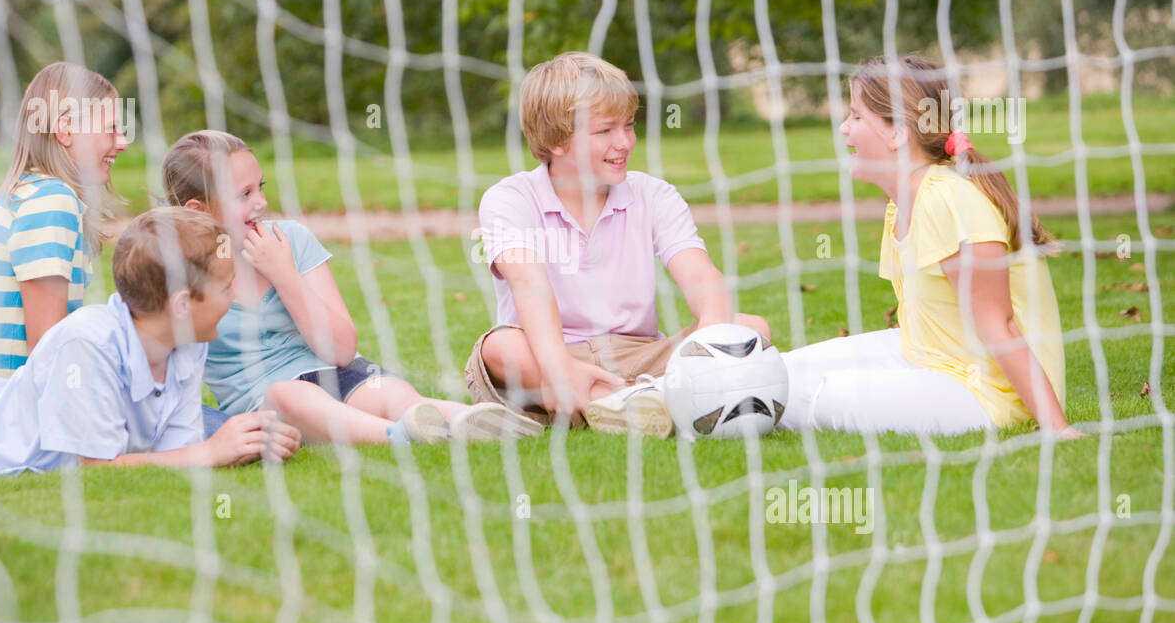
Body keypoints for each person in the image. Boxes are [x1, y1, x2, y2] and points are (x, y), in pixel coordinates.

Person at [163, 130, 541, 445]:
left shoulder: (291, 240)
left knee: (394, 395)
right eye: (243, 195)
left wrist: (284, 273)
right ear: (198, 210)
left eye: (260, 187)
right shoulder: (178, 277)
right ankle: (400, 436)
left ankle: (485, 424)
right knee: (290, 394)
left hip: (333, 370)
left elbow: (341, 349)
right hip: (267, 403)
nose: (261, 202)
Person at [464, 51, 771, 437]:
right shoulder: (510, 198)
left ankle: (611, 402)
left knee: (749, 328)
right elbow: (528, 284)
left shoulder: (654, 195)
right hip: (549, 353)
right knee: (500, 347)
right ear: (556, 140)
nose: (624, 141)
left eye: (628, 126)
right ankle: (640, 400)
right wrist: (560, 367)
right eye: (605, 131)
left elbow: (700, 276)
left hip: (640, 353)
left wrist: (711, 347)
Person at [780, 54, 1082, 438]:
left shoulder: (949, 200)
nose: (844, 128)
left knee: (817, 396)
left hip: (984, 393)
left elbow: (999, 325)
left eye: (856, 117)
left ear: (898, 132)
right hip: (927, 355)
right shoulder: (904, 203)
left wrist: (1058, 428)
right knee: (784, 372)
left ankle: (702, 409)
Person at [0, 207, 301, 479]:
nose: (234, 296)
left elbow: (170, 454)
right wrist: (212, 451)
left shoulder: (188, 341)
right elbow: (97, 469)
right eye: (225, 286)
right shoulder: (87, 345)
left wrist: (239, 444)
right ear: (182, 304)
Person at [0, 62, 129, 376]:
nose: (123, 142)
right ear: (67, 130)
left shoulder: (26, 192)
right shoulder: (51, 202)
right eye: (111, 128)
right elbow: (46, 353)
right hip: (6, 411)